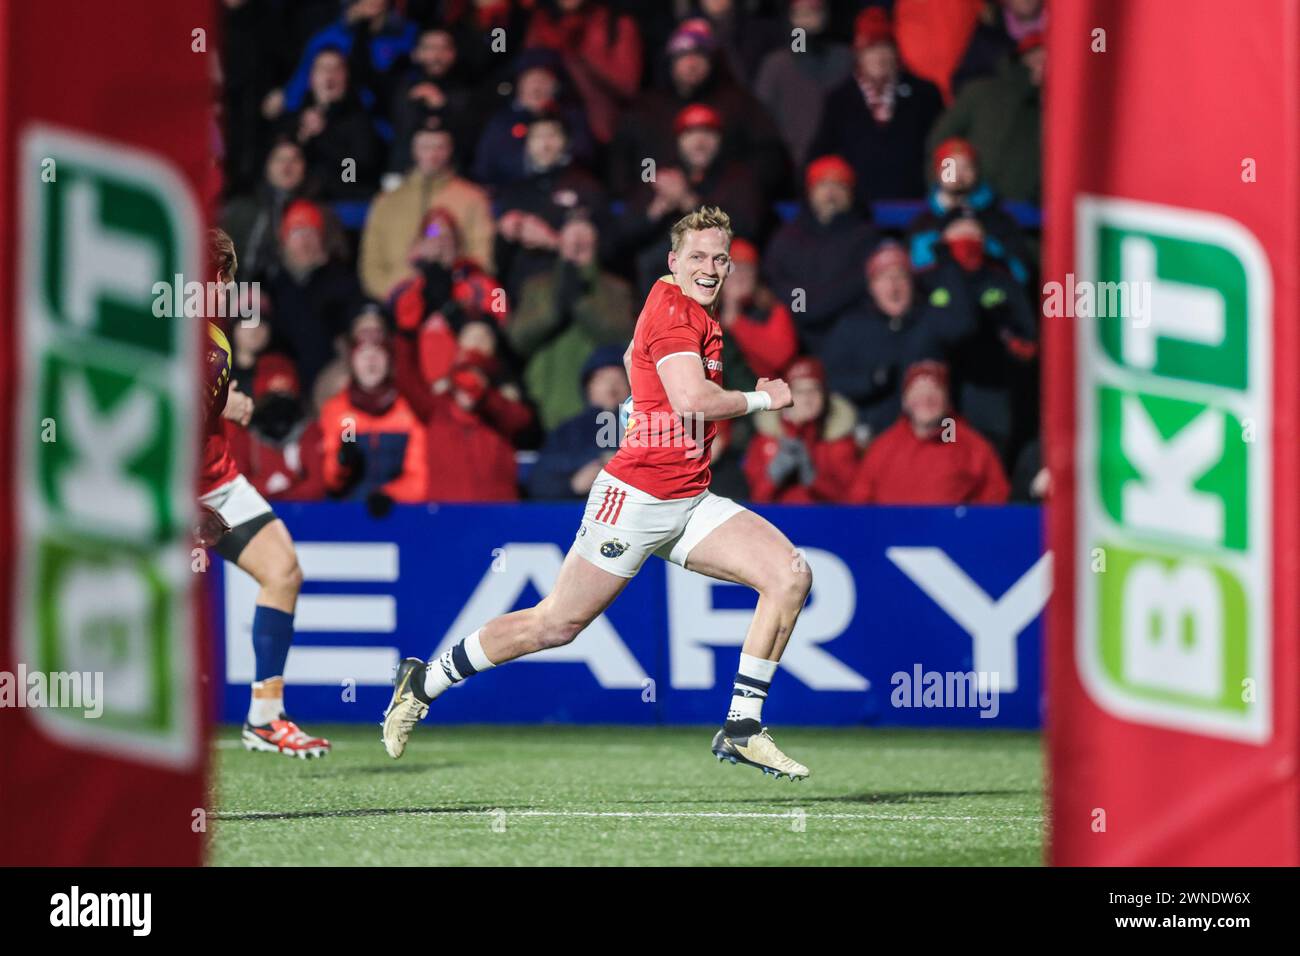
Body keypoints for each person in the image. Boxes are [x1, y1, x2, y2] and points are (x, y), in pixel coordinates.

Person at [382, 206, 814, 780]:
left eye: (718, 258)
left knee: (789, 575)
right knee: (555, 625)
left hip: (688, 498)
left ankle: (741, 726)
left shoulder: (685, 304)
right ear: (672, 262)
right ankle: (423, 681)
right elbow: (691, 400)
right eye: (696, 257)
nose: (709, 268)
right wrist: (764, 399)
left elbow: (671, 394)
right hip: (634, 500)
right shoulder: (676, 314)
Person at [198, 229, 330, 758]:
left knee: (282, 572)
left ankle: (265, 717)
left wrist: (225, 404)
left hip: (218, 480)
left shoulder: (212, 332)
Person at [807, 7, 943, 202]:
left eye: (884, 48)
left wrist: (947, 187)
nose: (879, 58)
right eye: (870, 49)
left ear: (896, 52)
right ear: (858, 55)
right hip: (859, 207)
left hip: (917, 203)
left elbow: (943, 148)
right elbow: (820, 152)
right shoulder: (839, 99)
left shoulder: (925, 94)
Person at [360, 125, 495, 302]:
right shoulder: (386, 202)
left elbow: (484, 264)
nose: (433, 155)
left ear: (450, 149)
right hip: (396, 303)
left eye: (440, 147)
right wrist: (407, 277)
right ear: (414, 150)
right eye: (425, 147)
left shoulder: (473, 199)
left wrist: (453, 264)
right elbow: (371, 270)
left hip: (455, 304)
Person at [846, 360, 1009, 504]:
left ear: (947, 399)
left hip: (952, 535)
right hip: (893, 536)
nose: (926, 398)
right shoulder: (884, 446)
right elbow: (859, 501)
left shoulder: (971, 445)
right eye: (917, 391)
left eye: (934, 390)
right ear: (905, 401)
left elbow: (995, 498)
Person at [742, 356, 858, 504]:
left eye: (814, 390)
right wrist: (773, 475)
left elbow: (852, 500)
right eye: (799, 391)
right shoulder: (765, 440)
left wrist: (814, 480)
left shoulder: (839, 442)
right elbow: (752, 500)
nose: (807, 399)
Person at [527, 346, 630, 499]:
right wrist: (573, 485)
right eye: (603, 380)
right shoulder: (568, 431)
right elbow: (539, 481)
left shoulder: (648, 428)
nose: (611, 388)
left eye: (619, 380)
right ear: (588, 387)